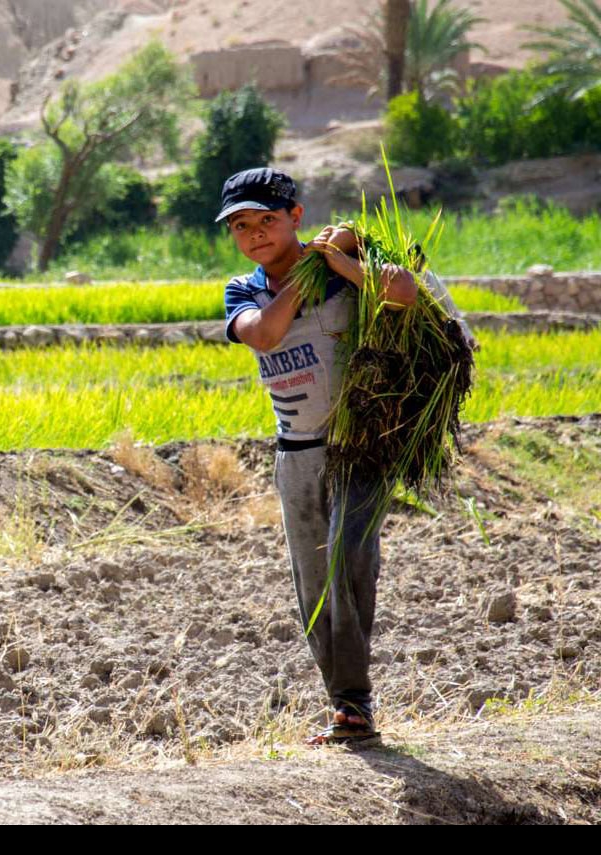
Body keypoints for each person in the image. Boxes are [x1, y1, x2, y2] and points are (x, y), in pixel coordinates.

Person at [218, 167, 418, 746]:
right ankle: (345, 705)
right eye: (241, 225)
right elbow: (264, 334)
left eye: (267, 220)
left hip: (360, 447)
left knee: (351, 561)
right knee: (314, 583)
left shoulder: (341, 270)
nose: (255, 233)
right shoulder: (244, 290)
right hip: (297, 454)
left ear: (295, 217)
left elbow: (404, 292)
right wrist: (308, 271)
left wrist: (346, 264)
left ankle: (355, 702)